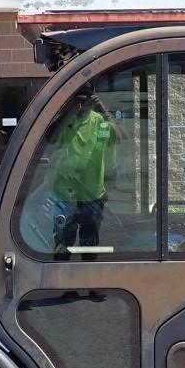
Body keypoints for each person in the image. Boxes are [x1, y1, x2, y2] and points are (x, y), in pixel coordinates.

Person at [50, 86, 118, 255]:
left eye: (85, 99)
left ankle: (87, 274)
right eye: (77, 98)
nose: (81, 103)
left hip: (92, 192)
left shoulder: (98, 121)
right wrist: (68, 111)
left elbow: (117, 138)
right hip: (66, 193)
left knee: (89, 244)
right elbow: (50, 138)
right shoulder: (67, 120)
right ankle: (61, 277)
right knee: (62, 245)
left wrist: (102, 110)